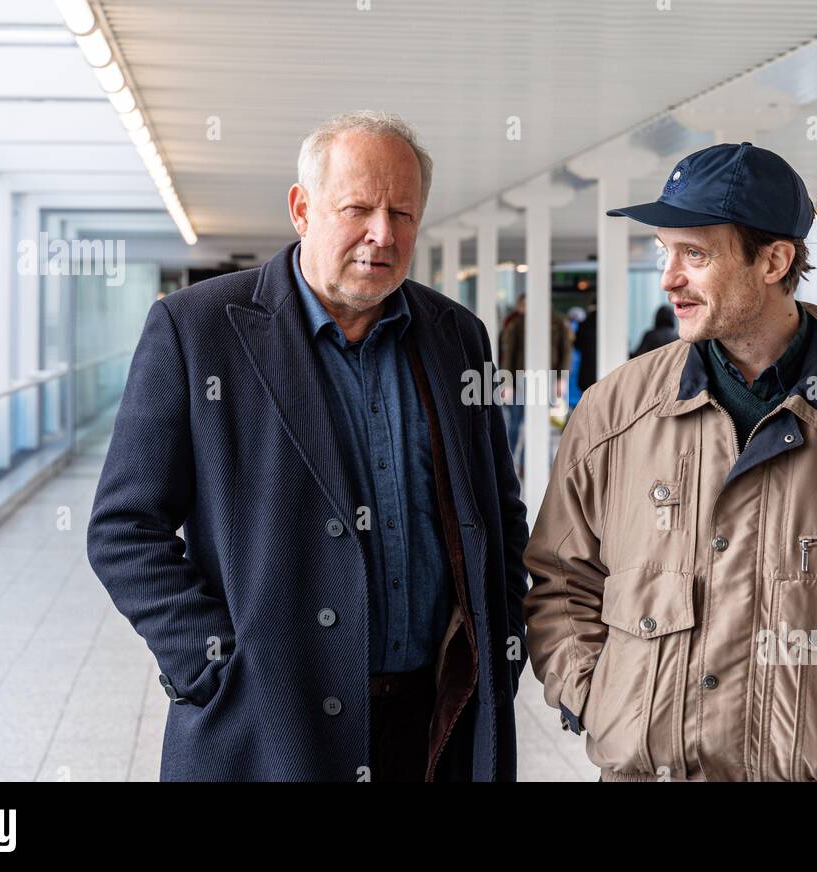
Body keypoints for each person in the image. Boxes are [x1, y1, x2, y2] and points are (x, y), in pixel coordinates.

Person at [522, 142, 817, 782]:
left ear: (774, 260)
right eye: (666, 252)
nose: (669, 278)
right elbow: (558, 579)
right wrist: (593, 695)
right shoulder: (614, 411)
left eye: (694, 254)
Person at [88, 111, 529, 782]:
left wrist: (504, 653)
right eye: (358, 208)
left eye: (403, 214)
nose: (382, 235)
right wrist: (211, 665)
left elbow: (498, 513)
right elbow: (124, 528)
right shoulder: (198, 329)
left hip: (434, 721)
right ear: (302, 208)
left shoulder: (456, 336)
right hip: (271, 724)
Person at [497, 294, 574, 462]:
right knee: (516, 421)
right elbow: (509, 354)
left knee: (539, 421)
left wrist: (561, 378)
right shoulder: (518, 324)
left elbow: (566, 353)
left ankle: (529, 461)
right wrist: (507, 383)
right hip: (521, 377)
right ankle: (508, 461)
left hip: (546, 378)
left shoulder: (557, 323)